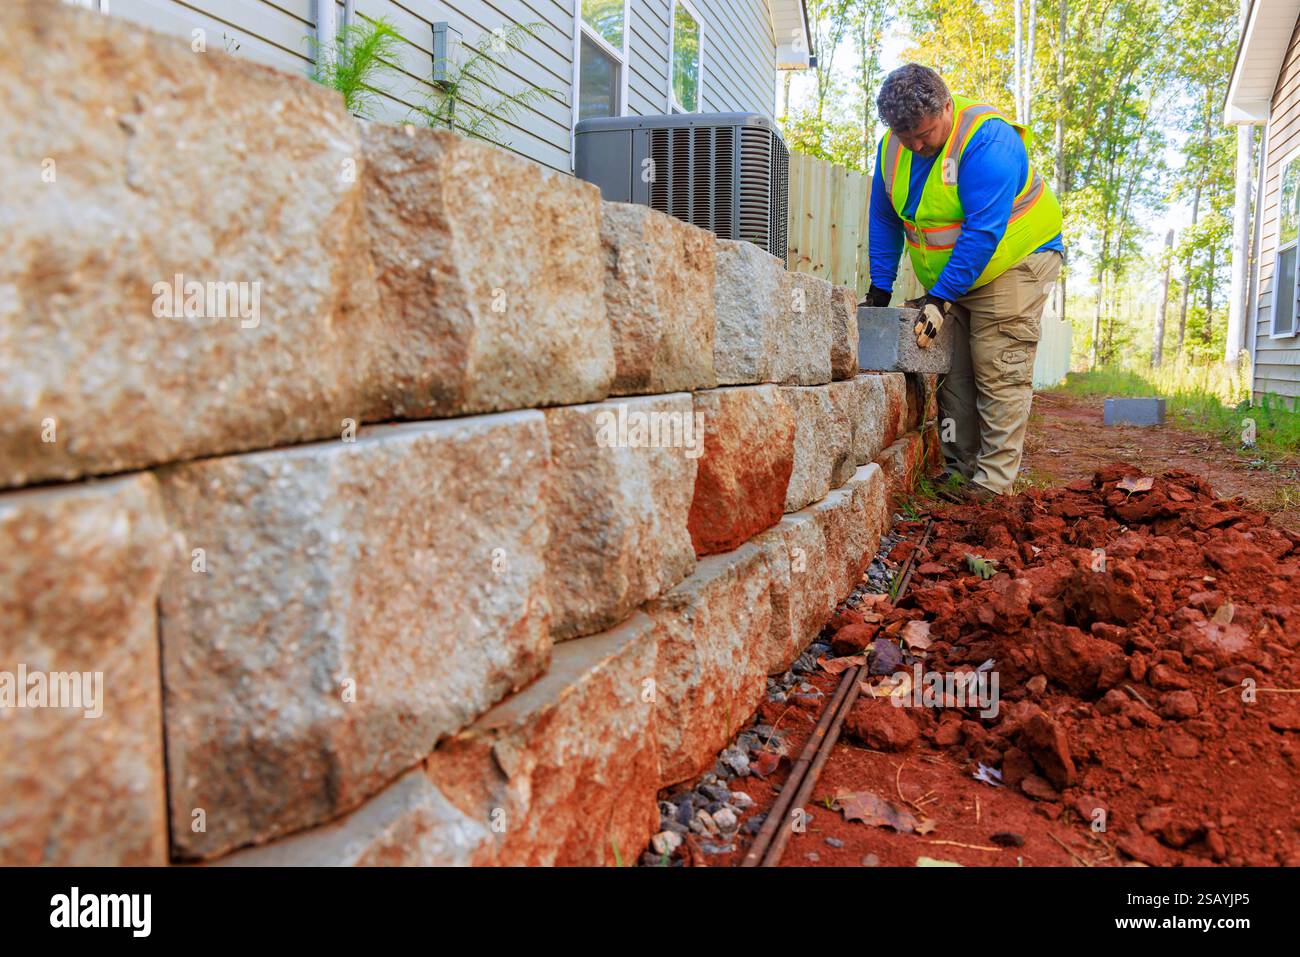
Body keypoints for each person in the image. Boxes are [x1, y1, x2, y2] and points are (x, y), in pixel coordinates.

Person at [863, 64, 1064, 502]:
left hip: (1015, 258)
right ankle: (960, 469)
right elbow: (885, 218)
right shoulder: (892, 150)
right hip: (959, 274)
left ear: (947, 108)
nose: (916, 146)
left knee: (998, 366)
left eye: (925, 133)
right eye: (905, 136)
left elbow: (983, 231)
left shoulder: (989, 143)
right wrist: (880, 287)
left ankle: (992, 484)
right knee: (953, 373)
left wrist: (940, 297)